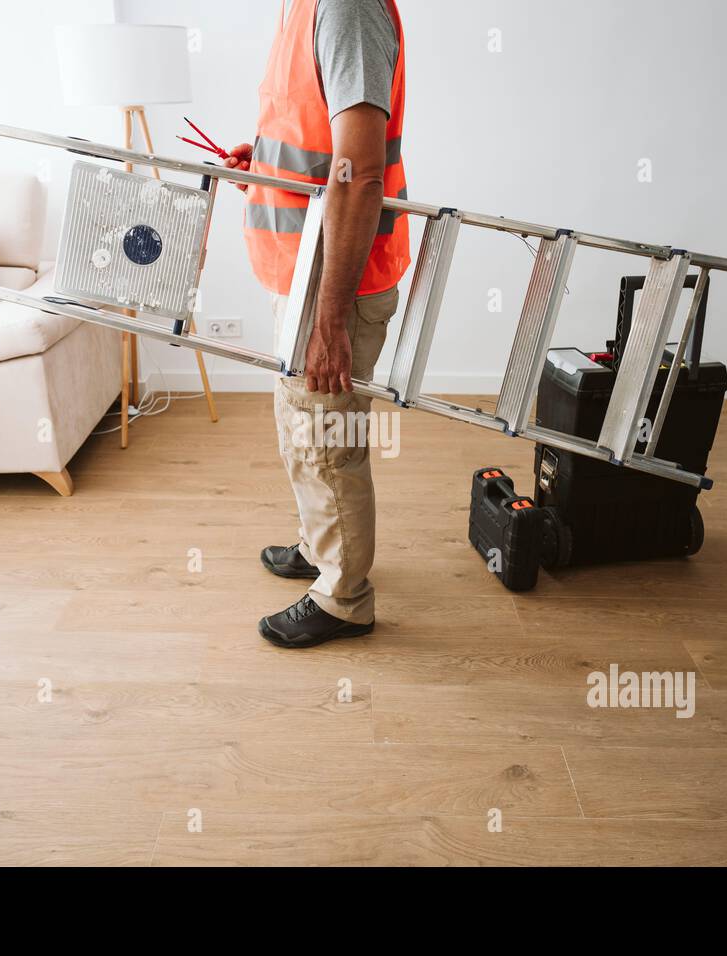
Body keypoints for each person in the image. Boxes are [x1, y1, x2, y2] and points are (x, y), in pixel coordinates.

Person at [225, 0, 410, 649]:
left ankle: (344, 596)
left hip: (334, 279)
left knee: (327, 437)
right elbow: (318, 140)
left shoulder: (345, 8)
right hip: (304, 270)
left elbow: (359, 176)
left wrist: (330, 317)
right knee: (301, 426)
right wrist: (268, 166)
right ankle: (320, 543)